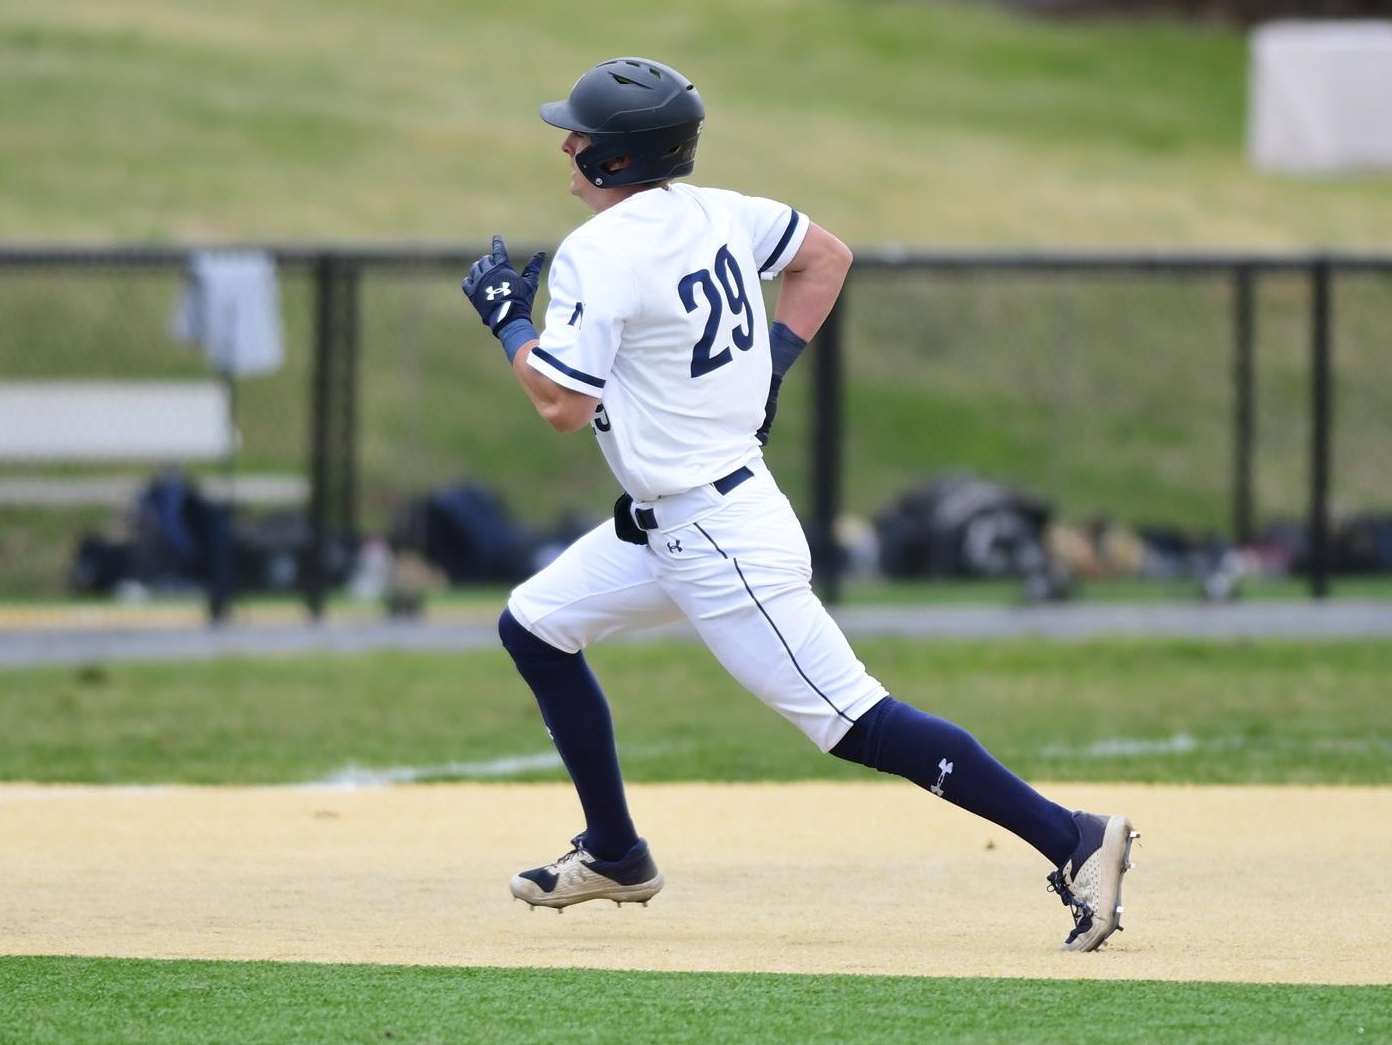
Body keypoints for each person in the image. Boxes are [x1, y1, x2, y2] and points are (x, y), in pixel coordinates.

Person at [460, 57, 1138, 951]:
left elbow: (563, 405)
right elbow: (825, 257)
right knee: (535, 626)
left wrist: (509, 321)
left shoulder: (602, 250)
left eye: (578, 136)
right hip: (678, 517)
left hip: (716, 534)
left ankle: (1073, 838)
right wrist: (774, 362)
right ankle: (616, 853)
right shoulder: (721, 212)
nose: (566, 147)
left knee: (855, 721)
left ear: (616, 159)